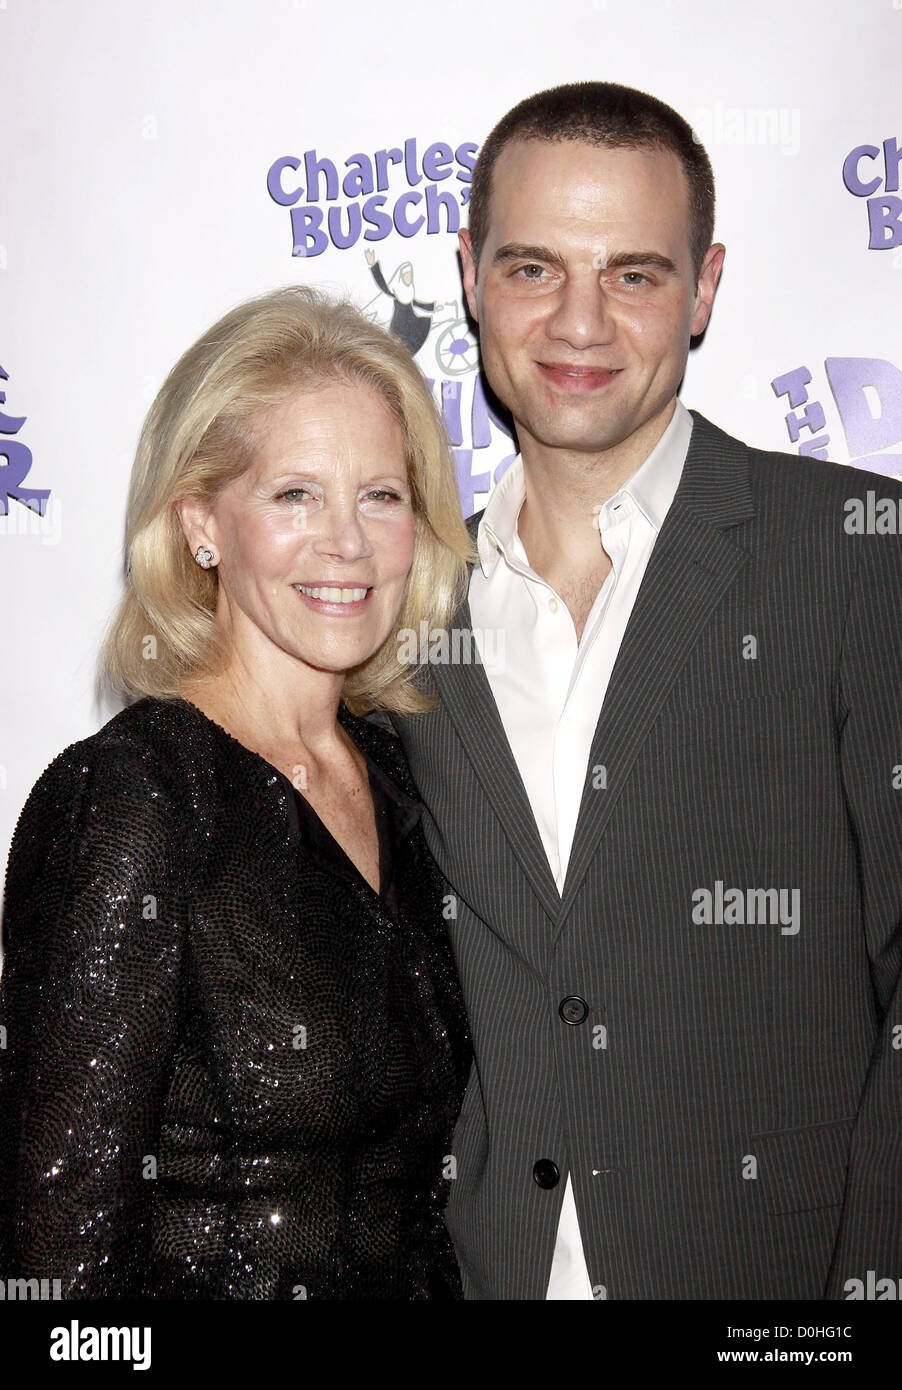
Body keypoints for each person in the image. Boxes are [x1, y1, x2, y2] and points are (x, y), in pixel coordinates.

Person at [382, 82, 902, 1299]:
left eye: (632, 274)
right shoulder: (400, 610)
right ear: (466, 275)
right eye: (530, 268)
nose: (577, 322)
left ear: (704, 286)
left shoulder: (849, 554)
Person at [0, 285, 473, 1299]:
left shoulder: (401, 776)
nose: (345, 543)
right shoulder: (132, 802)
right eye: (295, 494)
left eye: (380, 495)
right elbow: (54, 1254)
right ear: (201, 523)